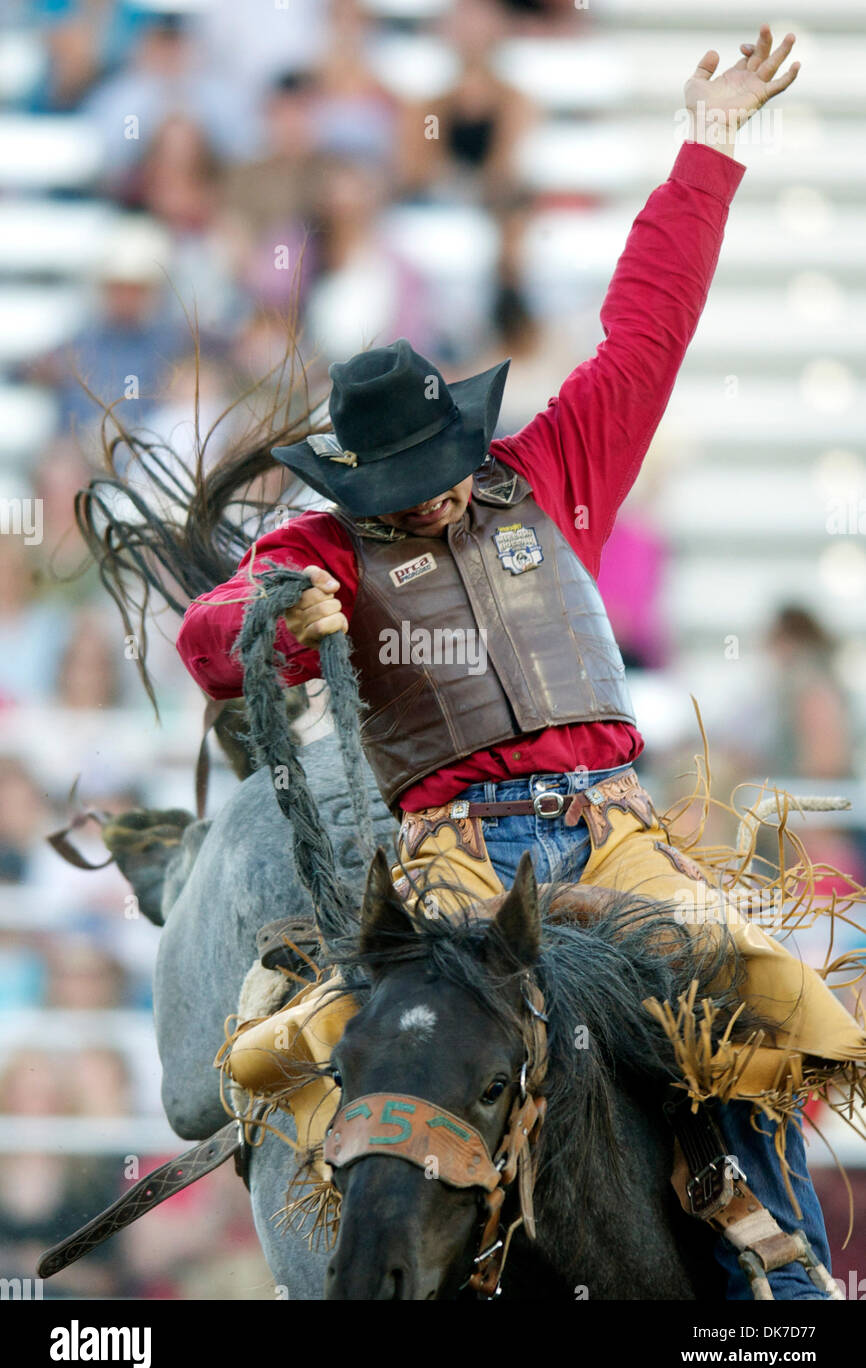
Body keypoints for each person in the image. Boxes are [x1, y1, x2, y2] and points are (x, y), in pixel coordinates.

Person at [176, 30, 864, 1300]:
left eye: (437, 478)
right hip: (448, 856)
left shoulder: (548, 470)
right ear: (354, 488)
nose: (428, 506)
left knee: (762, 1011)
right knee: (342, 1046)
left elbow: (644, 329)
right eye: (397, 493)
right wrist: (279, 614)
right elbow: (208, 640)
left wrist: (706, 146)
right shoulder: (307, 547)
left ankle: (782, 1270)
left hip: (610, 836)